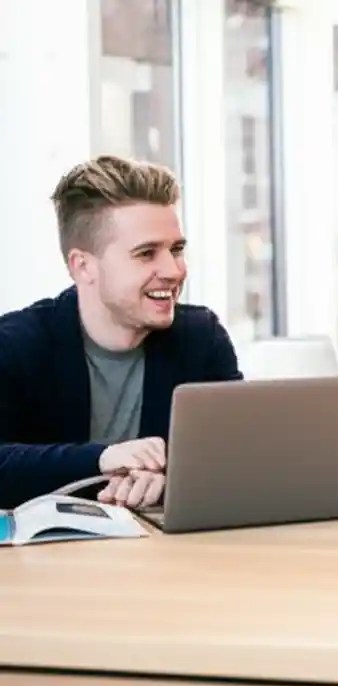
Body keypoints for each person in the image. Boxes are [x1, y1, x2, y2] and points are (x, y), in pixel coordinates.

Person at [0, 155, 243, 510]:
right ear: (83, 266)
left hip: (169, 553)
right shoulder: (17, 344)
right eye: (146, 254)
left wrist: (167, 478)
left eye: (176, 250)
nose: (174, 270)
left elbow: (240, 455)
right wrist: (102, 459)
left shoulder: (201, 338)